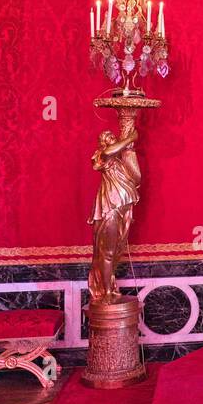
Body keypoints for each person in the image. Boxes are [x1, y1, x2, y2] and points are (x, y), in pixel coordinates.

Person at [88, 128, 142, 304]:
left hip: (123, 206)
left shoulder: (119, 162)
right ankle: (106, 292)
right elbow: (109, 151)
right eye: (108, 137)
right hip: (109, 208)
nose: (112, 138)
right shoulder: (103, 155)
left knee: (117, 250)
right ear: (102, 143)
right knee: (107, 252)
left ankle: (110, 285)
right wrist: (129, 138)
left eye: (112, 135)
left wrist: (130, 150)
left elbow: (137, 177)